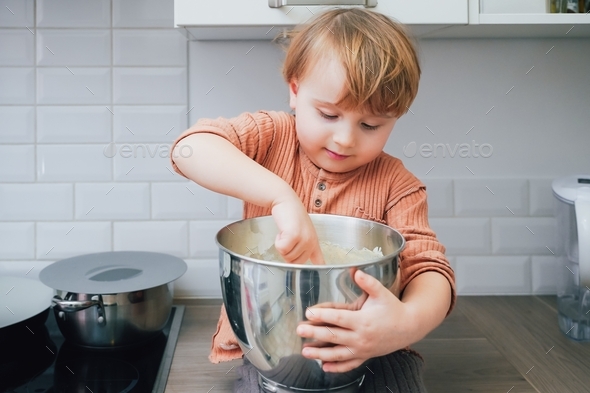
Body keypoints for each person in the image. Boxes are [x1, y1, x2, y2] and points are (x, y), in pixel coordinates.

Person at [171, 7, 456, 393]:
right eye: (327, 114)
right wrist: (280, 197)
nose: (345, 139)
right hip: (270, 344)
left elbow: (430, 270)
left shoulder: (398, 185)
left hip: (372, 350)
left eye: (371, 125)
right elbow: (189, 150)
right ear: (295, 90)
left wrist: (405, 323)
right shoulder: (271, 136)